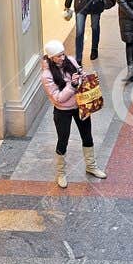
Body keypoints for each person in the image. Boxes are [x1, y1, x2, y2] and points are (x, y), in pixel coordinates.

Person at [41, 39, 106, 187]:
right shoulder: (47, 75)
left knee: (87, 136)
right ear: (51, 58)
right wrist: (73, 85)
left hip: (80, 106)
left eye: (63, 54)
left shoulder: (70, 60)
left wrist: (82, 78)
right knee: (63, 141)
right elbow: (58, 99)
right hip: (62, 112)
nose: (63, 58)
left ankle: (91, 166)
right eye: (58, 56)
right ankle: (61, 173)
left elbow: (81, 75)